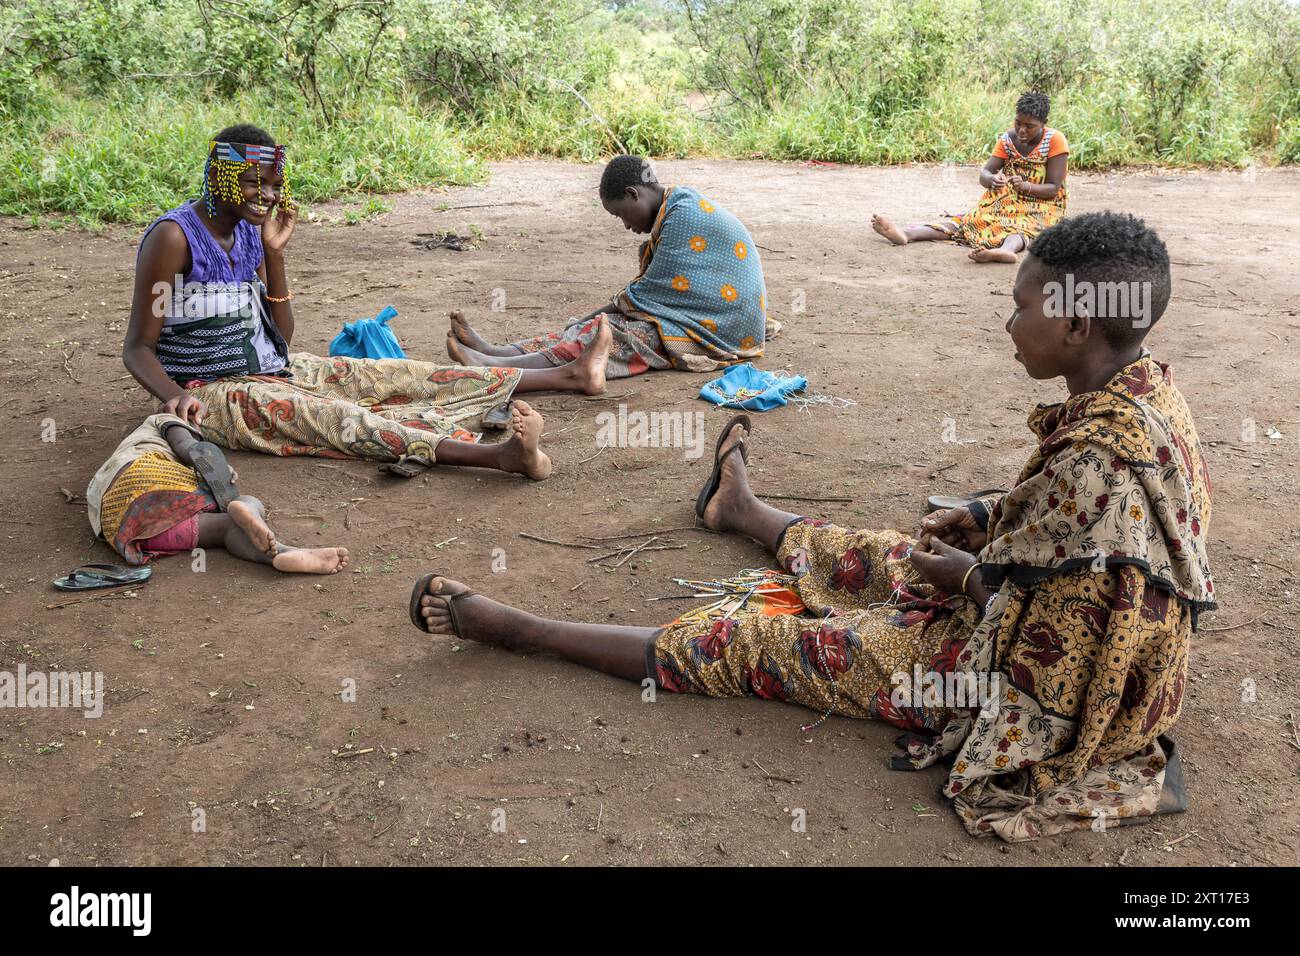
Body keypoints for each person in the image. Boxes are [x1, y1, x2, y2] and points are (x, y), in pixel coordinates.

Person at [408, 212, 1215, 842]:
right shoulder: (1146, 400)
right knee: (882, 553)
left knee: (759, 646)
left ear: (1076, 325)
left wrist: (964, 576)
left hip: (1025, 690)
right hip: (1060, 639)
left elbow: (1058, 591)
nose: (1009, 324)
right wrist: (975, 519)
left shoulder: (1099, 452)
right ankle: (744, 511)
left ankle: (527, 631)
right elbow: (1072, 543)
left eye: (1020, 307)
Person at [123, 123, 611, 480]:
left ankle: (566, 375)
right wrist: (175, 395)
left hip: (269, 366)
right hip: (209, 391)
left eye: (274, 184)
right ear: (219, 176)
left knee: (394, 374)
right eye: (254, 182)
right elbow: (138, 349)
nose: (267, 196)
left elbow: (281, 337)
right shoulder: (174, 238)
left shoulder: (251, 236)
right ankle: (499, 457)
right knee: (336, 417)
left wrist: (275, 256)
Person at [446, 154, 773, 377]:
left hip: (727, 329)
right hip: (717, 315)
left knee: (609, 332)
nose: (625, 226)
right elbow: (654, 293)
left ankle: (500, 367)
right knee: (597, 325)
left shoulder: (681, 217)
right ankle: (499, 352)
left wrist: (595, 315)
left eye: (619, 214)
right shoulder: (676, 206)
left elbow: (646, 294)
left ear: (633, 194)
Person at [86, 413, 349, 573]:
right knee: (245, 504)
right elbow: (190, 448)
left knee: (226, 529)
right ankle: (249, 511)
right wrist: (215, 467)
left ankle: (282, 554)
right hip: (152, 479)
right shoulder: (162, 420)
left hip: (125, 526)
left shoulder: (113, 462)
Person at [871, 91, 1069, 264]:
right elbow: (985, 174)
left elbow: (1052, 188)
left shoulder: (1055, 140)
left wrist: (1026, 186)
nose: (1022, 130)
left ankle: (1005, 251)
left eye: (1030, 126)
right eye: (1018, 123)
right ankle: (907, 234)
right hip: (1006, 200)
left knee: (1022, 227)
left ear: (1044, 124)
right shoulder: (1008, 139)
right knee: (969, 222)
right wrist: (992, 180)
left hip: (1043, 206)